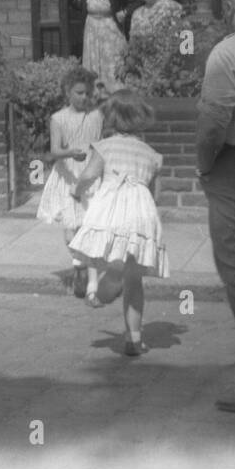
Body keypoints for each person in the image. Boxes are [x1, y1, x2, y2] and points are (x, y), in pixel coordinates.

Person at [69, 91, 167, 356]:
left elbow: (89, 174)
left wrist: (77, 191)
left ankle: (99, 295)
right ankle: (134, 338)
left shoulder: (105, 146)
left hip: (112, 211)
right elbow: (155, 194)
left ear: (111, 117)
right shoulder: (151, 153)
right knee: (134, 280)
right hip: (140, 213)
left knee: (114, 266)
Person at [199, 0, 235, 413]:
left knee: (234, 267)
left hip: (232, 165)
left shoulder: (226, 54)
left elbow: (213, 122)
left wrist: (203, 165)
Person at [36, 66, 103, 299]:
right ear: (68, 92)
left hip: (90, 174)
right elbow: (54, 151)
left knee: (90, 224)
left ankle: (90, 278)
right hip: (67, 175)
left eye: (87, 93)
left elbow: (101, 143)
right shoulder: (59, 118)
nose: (84, 97)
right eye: (79, 93)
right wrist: (69, 153)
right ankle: (79, 265)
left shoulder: (96, 115)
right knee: (70, 230)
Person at [68, 0, 142, 94]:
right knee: (93, 66)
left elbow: (137, 0)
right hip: (91, 32)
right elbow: (84, 7)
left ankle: (117, 97)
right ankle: (95, 96)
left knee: (113, 63)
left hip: (110, 31)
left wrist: (125, 12)